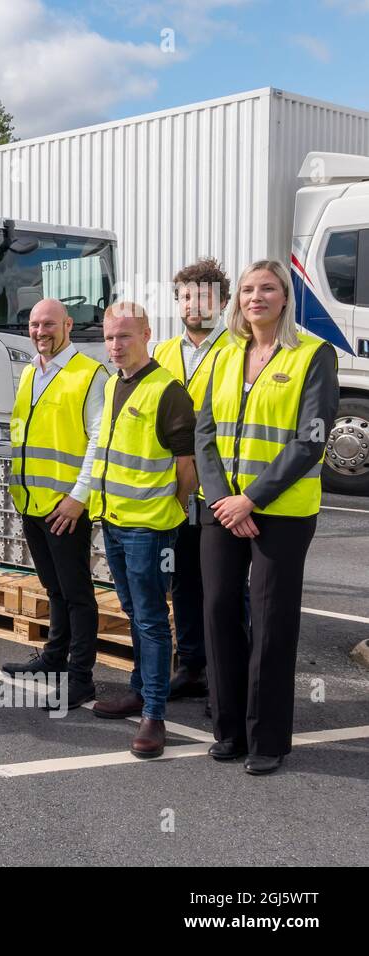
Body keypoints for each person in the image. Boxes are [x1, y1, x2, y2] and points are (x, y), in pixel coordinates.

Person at [196, 260, 338, 776]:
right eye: (248, 289)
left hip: (280, 513)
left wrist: (250, 499)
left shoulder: (313, 356)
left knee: (273, 622)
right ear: (239, 300)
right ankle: (229, 730)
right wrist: (221, 499)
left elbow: (313, 437)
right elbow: (204, 431)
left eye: (268, 289)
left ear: (284, 298)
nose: (256, 297)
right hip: (223, 510)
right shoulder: (225, 353)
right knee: (217, 614)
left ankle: (268, 739)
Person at [89, 302, 197, 759]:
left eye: (125, 336)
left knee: (151, 620)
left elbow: (186, 470)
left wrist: (166, 509)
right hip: (114, 521)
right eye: (111, 337)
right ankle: (138, 689)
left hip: (149, 528)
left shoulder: (167, 390)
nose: (116, 345)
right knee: (135, 611)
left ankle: (154, 713)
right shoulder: (114, 383)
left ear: (147, 335)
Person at [0, 298, 109, 709]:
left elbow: (99, 441)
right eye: (34, 324)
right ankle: (55, 656)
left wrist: (78, 498)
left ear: (67, 325)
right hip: (33, 503)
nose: (40, 331)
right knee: (55, 588)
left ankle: (81, 678)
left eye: (48, 324)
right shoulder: (30, 371)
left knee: (78, 593)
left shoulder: (89, 374)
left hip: (66, 507)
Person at [153, 257, 233, 703]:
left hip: (220, 488)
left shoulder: (235, 350)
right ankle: (193, 666)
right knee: (182, 580)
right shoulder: (163, 353)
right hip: (176, 489)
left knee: (224, 589)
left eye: (204, 296)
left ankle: (227, 677)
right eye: (186, 296)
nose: (193, 304)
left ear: (221, 302)